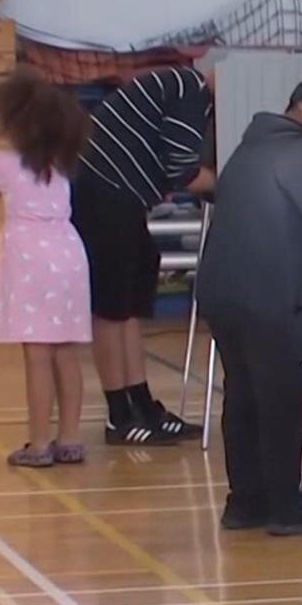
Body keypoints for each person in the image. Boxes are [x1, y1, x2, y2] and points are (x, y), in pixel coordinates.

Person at [195, 80, 302, 536]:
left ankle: (244, 502)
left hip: (226, 295)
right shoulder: (301, 157)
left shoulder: (247, 152)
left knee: (243, 399)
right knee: (282, 404)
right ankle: (285, 507)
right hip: (279, 301)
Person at [72, 60, 216, 447]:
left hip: (121, 194)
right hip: (104, 190)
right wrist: (231, 181)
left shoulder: (188, 90)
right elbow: (182, 170)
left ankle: (140, 401)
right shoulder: (191, 89)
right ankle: (119, 414)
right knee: (111, 306)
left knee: (130, 303)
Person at [0, 70, 92, 468]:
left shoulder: (3, 161)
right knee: (66, 351)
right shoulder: (63, 163)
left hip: (29, 257)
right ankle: (69, 438)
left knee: (36, 353)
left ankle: (38, 444)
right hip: (69, 253)